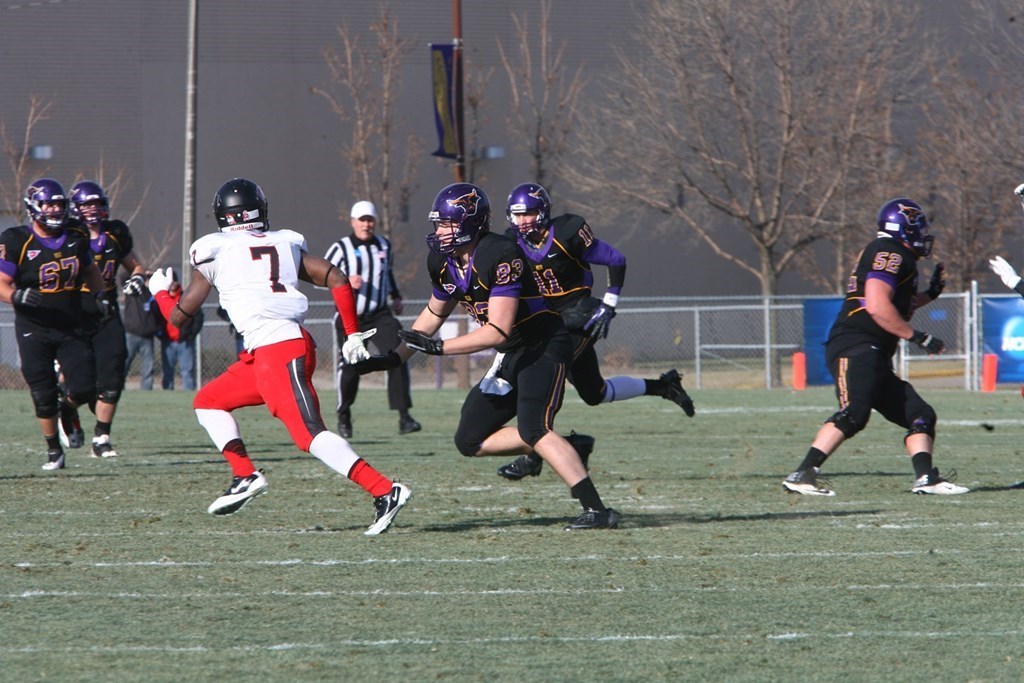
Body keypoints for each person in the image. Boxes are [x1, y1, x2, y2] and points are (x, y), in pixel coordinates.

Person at [355, 182, 618, 530]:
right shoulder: (444, 260)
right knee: (469, 439)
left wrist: (441, 349)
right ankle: (567, 446)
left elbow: (498, 330)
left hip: (542, 346)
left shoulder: (500, 253)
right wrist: (395, 357)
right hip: (512, 354)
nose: (439, 232)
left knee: (535, 427)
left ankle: (598, 510)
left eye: (447, 224)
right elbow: (434, 315)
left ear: (469, 223)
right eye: (437, 224)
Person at [163, 177, 410, 534]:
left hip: (277, 350)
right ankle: (245, 475)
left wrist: (159, 293)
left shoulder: (216, 250)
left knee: (308, 434)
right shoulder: (284, 243)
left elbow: (176, 321)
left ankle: (386, 490)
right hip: (272, 351)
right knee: (209, 401)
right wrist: (352, 332)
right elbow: (338, 278)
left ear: (224, 216)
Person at [493, 183, 696, 481]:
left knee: (544, 374)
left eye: (529, 214)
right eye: (517, 215)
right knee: (593, 393)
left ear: (543, 212)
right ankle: (664, 386)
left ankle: (533, 455)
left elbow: (616, 259)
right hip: (546, 320)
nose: (522, 221)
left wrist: (610, 304)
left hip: (579, 315)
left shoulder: (567, 233)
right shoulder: (510, 243)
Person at [782, 198, 967, 496]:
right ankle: (803, 473)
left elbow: (897, 304)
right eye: (918, 228)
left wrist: (930, 294)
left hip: (873, 350)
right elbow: (878, 304)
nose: (923, 235)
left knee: (920, 414)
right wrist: (918, 337)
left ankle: (926, 479)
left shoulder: (897, 257)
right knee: (854, 412)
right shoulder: (889, 252)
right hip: (856, 343)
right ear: (903, 228)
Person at [0, 178, 111, 470]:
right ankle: (54, 451)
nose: (55, 209)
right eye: (49, 203)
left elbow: (90, 270)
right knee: (42, 392)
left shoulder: (76, 233)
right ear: (33, 207)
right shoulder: (15, 240)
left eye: (59, 204)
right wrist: (16, 295)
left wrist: (100, 295)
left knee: (87, 386)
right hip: (33, 327)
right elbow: (1, 282)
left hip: (69, 323)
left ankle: (68, 409)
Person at [58, 180, 147, 458]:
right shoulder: (69, 232)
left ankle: (101, 437)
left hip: (106, 308)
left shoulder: (116, 232)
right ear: (77, 208)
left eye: (97, 203)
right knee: (81, 386)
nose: (93, 209)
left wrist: (136, 280)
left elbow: (136, 265)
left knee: (112, 377)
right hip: (76, 308)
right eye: (87, 204)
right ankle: (68, 406)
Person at [324, 200, 421, 437]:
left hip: (380, 314)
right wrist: (345, 281)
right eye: (362, 220)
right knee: (350, 365)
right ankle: (344, 415)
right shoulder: (340, 248)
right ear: (353, 222)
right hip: (351, 317)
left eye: (370, 220)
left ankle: (404, 416)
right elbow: (321, 277)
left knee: (398, 354)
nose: (366, 225)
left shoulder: (384, 246)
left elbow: (388, 275)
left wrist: (396, 296)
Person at [150, 267, 201, 390]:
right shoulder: (161, 299)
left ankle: (189, 395)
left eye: (174, 281)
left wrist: (190, 334)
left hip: (184, 341)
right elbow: (155, 317)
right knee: (168, 372)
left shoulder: (185, 297)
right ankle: (167, 395)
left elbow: (198, 317)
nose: (172, 284)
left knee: (187, 372)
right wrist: (160, 333)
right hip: (168, 341)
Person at [122, 271, 158, 390]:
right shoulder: (133, 291)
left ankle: (146, 390)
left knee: (148, 367)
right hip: (131, 334)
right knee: (124, 363)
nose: (148, 280)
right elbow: (123, 276)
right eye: (147, 278)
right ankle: (118, 387)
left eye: (150, 278)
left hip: (147, 336)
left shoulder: (153, 295)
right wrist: (139, 276)